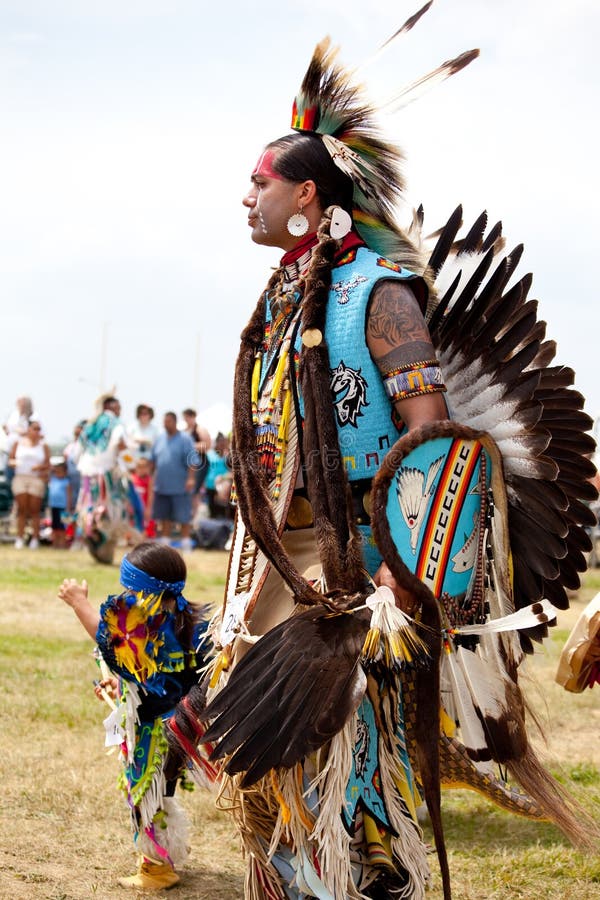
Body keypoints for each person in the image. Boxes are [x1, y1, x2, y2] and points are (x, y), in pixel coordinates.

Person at [167, 27, 597, 900]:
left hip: (363, 566)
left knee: (354, 768)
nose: (245, 197)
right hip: (286, 559)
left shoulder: (381, 293)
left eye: (260, 183)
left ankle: (368, 876)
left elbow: (435, 443)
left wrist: (405, 581)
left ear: (307, 194)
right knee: (273, 778)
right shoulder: (289, 294)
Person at [57, 541, 209, 891]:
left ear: (147, 593)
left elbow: (108, 640)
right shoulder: (187, 622)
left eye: (130, 589)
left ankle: (157, 870)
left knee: (146, 795)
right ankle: (166, 857)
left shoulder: (147, 634)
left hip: (155, 735)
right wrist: (116, 684)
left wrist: (78, 601)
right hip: (179, 728)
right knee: (162, 792)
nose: (124, 596)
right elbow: (141, 674)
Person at [76, 394, 130, 563]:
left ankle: (92, 535)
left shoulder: (91, 425)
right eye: (118, 408)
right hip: (105, 474)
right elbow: (119, 443)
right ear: (111, 408)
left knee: (89, 508)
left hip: (87, 473)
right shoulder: (115, 423)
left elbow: (77, 451)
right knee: (111, 511)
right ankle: (103, 546)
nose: (120, 411)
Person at [151, 412, 196, 552]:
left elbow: (192, 461)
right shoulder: (159, 439)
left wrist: (191, 478)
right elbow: (152, 461)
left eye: (168, 421)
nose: (166, 424)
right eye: (164, 421)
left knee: (183, 517)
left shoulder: (185, 439)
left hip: (180, 486)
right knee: (164, 517)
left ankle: (186, 544)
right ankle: (165, 544)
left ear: (175, 422)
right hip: (162, 486)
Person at [9, 418, 50, 549]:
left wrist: (39, 467)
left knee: (34, 510)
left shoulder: (43, 445)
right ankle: (19, 537)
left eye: (39, 429)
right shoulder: (18, 443)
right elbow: (10, 460)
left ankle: (35, 539)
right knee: (21, 509)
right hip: (20, 477)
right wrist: (14, 463)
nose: (37, 431)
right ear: (28, 429)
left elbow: (48, 464)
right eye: (34, 428)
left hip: (36, 479)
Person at [203, 432, 233, 520]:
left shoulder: (227, 456)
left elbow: (231, 471)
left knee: (222, 509)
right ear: (216, 442)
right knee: (212, 509)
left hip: (222, 487)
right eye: (220, 442)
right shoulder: (209, 454)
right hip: (210, 485)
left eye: (223, 443)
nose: (221, 445)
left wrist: (224, 478)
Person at [47, 457, 72, 548]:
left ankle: (62, 544)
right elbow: (48, 473)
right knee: (55, 527)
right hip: (54, 506)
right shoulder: (53, 480)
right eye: (56, 471)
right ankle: (55, 544)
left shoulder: (66, 482)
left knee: (62, 527)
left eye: (60, 471)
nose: (58, 473)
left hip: (63, 507)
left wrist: (68, 507)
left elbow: (69, 495)